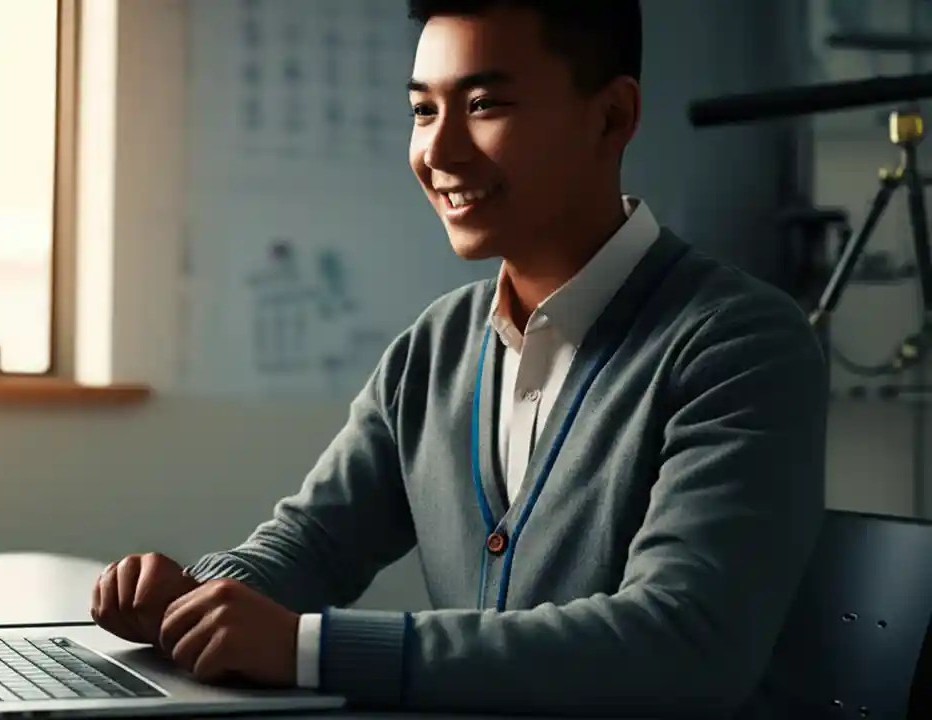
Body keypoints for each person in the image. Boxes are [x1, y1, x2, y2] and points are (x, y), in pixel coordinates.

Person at [91, 0, 827, 716]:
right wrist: (192, 600)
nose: (437, 152)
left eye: (482, 106)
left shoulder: (739, 341)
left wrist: (310, 649)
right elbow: (311, 542)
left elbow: (684, 645)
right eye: (422, 110)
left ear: (611, 117)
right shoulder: (437, 346)